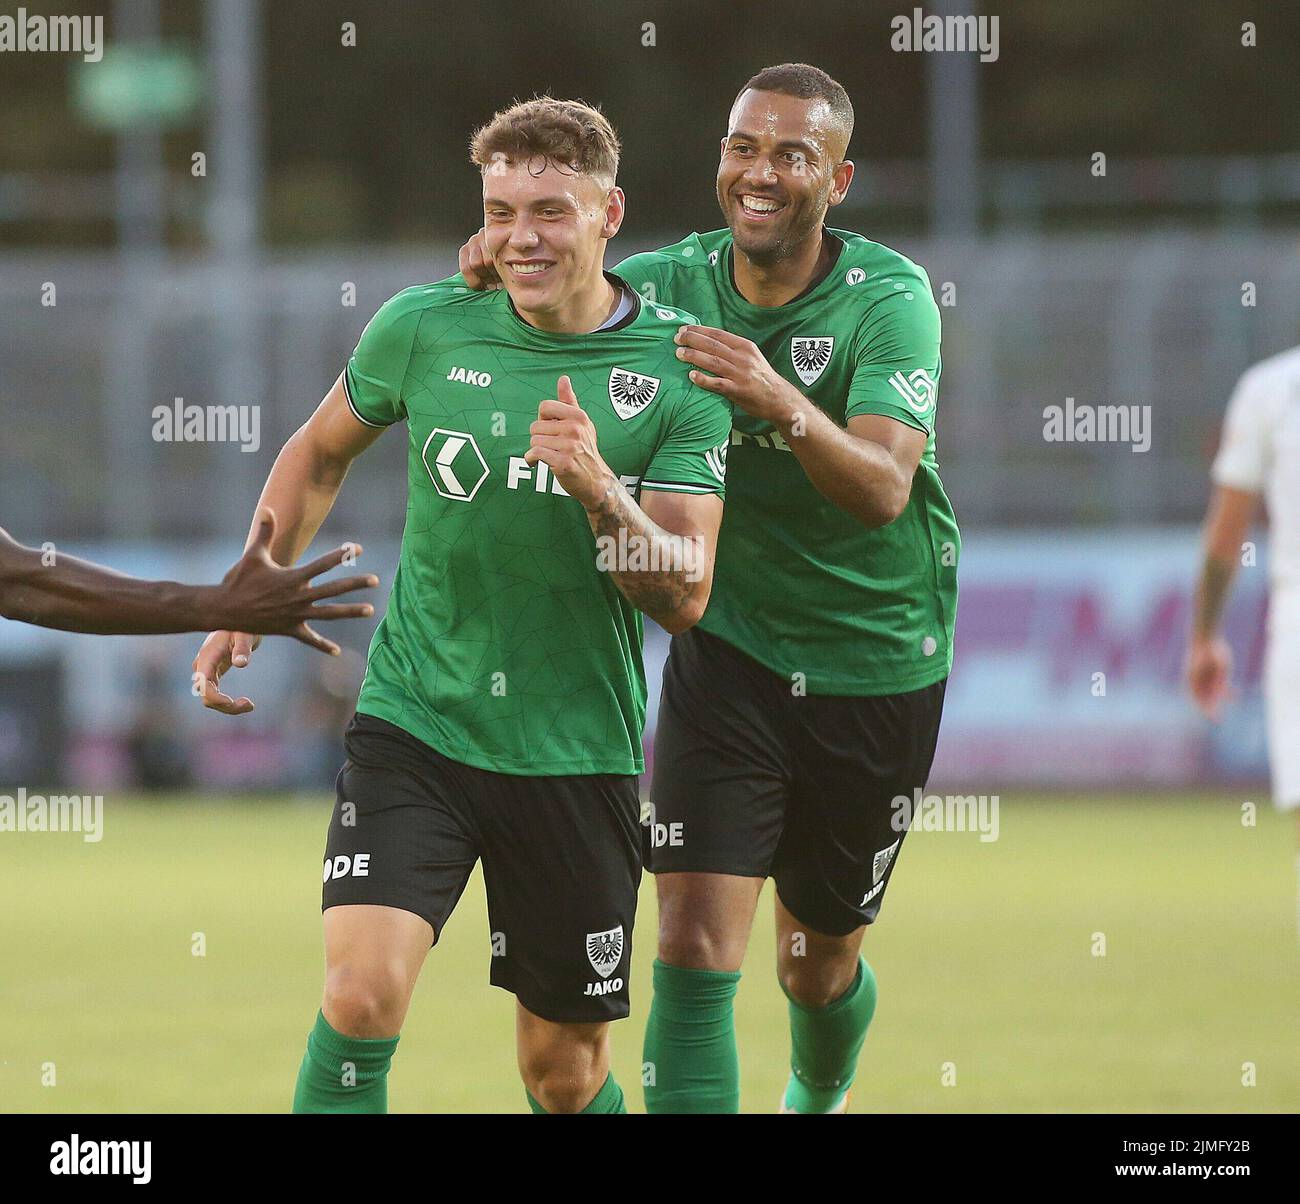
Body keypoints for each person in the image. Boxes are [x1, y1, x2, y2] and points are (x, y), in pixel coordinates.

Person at [192, 97, 731, 1113]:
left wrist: (597, 487)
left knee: (563, 1076)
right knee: (359, 997)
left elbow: (685, 594)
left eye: (550, 210)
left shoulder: (676, 371)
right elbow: (318, 450)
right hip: (417, 726)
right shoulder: (423, 324)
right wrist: (250, 581)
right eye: (500, 210)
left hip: (576, 749)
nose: (520, 235)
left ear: (608, 213)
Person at [459, 61, 961, 1114]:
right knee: (688, 945)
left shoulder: (889, 297)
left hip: (873, 662)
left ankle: (815, 1096)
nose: (760, 172)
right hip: (726, 655)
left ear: (840, 177)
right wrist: (517, 254)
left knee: (813, 963)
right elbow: (567, 293)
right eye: (743, 147)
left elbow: (881, 487)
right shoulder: (673, 280)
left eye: (792, 153)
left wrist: (779, 400)